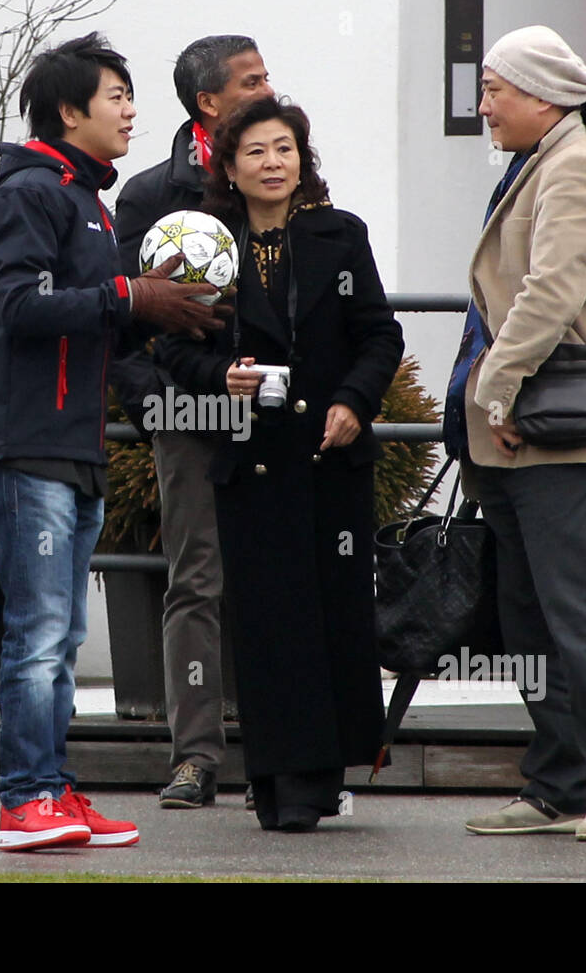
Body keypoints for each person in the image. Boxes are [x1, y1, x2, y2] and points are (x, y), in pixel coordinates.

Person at [0, 32, 229, 851]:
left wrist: (171, 361)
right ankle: (23, 801)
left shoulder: (86, 198)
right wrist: (128, 293)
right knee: (39, 630)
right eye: (116, 96)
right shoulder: (30, 195)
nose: (132, 111)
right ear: (70, 110)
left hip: (72, 447)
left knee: (66, 634)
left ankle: (53, 789)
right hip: (25, 442)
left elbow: (99, 323)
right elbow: (21, 305)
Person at [157, 96, 403, 832]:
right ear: (228, 166)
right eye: (256, 151)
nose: (273, 163)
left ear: (304, 159)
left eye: (285, 149)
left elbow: (379, 335)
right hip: (252, 463)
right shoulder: (207, 243)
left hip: (330, 459)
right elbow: (170, 346)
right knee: (269, 627)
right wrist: (217, 376)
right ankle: (278, 784)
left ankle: (323, 778)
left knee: (332, 619)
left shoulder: (339, 234)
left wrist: (355, 401)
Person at [456, 25, 586, 841]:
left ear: (543, 95)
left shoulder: (576, 165)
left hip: (554, 427)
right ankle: (561, 781)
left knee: (575, 610)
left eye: (495, 91)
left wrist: (496, 391)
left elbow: (550, 292)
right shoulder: (543, 160)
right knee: (529, 613)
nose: (484, 106)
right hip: (518, 429)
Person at [112, 35, 274, 809]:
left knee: (280, 576)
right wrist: (157, 405)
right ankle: (196, 757)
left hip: (275, 414)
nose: (267, 87)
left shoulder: (284, 177)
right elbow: (124, 318)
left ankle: (284, 747)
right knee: (196, 582)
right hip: (190, 414)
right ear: (209, 103)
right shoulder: (150, 195)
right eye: (252, 80)